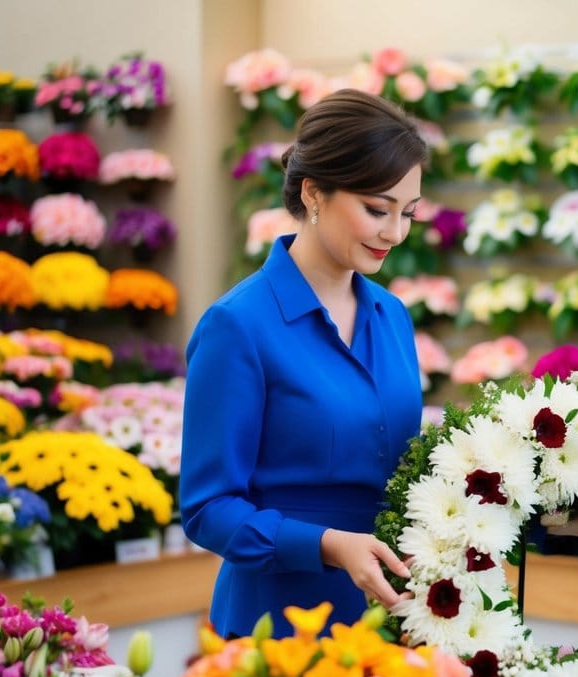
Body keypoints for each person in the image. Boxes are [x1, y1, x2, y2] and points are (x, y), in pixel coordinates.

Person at [181, 89, 427, 639]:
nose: (396, 232)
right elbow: (207, 509)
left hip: (389, 618)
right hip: (279, 620)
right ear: (314, 193)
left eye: (408, 213)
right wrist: (329, 545)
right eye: (376, 209)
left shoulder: (392, 317)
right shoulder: (238, 325)